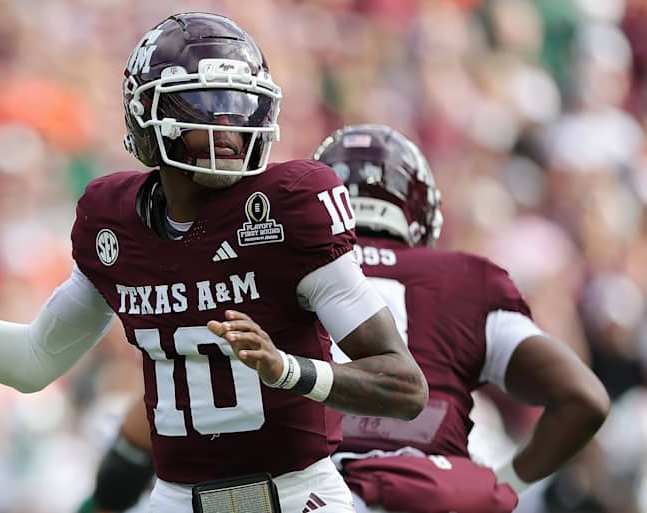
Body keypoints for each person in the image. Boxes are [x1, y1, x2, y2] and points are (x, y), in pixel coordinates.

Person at [0, 14, 427, 513]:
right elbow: (33, 361)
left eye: (242, 106)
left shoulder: (286, 209)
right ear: (149, 115)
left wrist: (287, 369)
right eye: (210, 104)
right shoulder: (114, 224)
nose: (231, 127)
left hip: (296, 496)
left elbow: (404, 386)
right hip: (175, 500)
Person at [76, 125, 611, 513]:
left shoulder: (263, 266)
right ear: (420, 211)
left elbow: (160, 418)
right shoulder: (467, 279)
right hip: (428, 491)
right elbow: (584, 398)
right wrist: (504, 486)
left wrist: (101, 500)